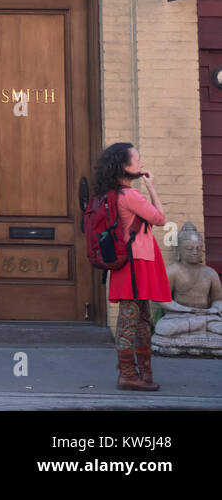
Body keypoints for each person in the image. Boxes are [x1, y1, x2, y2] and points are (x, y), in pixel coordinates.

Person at [92, 142, 171, 391]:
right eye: (137, 160)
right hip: (136, 262)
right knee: (131, 319)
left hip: (131, 261)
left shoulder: (113, 194)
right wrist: (151, 187)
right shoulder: (130, 196)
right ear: (126, 166)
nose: (141, 164)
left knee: (140, 318)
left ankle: (143, 373)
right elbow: (159, 218)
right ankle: (129, 374)